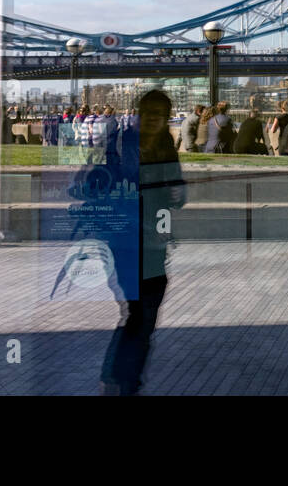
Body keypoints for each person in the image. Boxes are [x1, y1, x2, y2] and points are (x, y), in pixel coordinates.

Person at [98, 89, 187, 395]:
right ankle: (124, 381)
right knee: (139, 314)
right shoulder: (120, 143)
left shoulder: (166, 146)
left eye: (159, 115)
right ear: (138, 113)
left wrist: (178, 195)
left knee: (142, 316)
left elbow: (178, 192)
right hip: (124, 238)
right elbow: (99, 181)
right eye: (148, 113)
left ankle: (118, 377)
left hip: (154, 239)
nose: (153, 119)